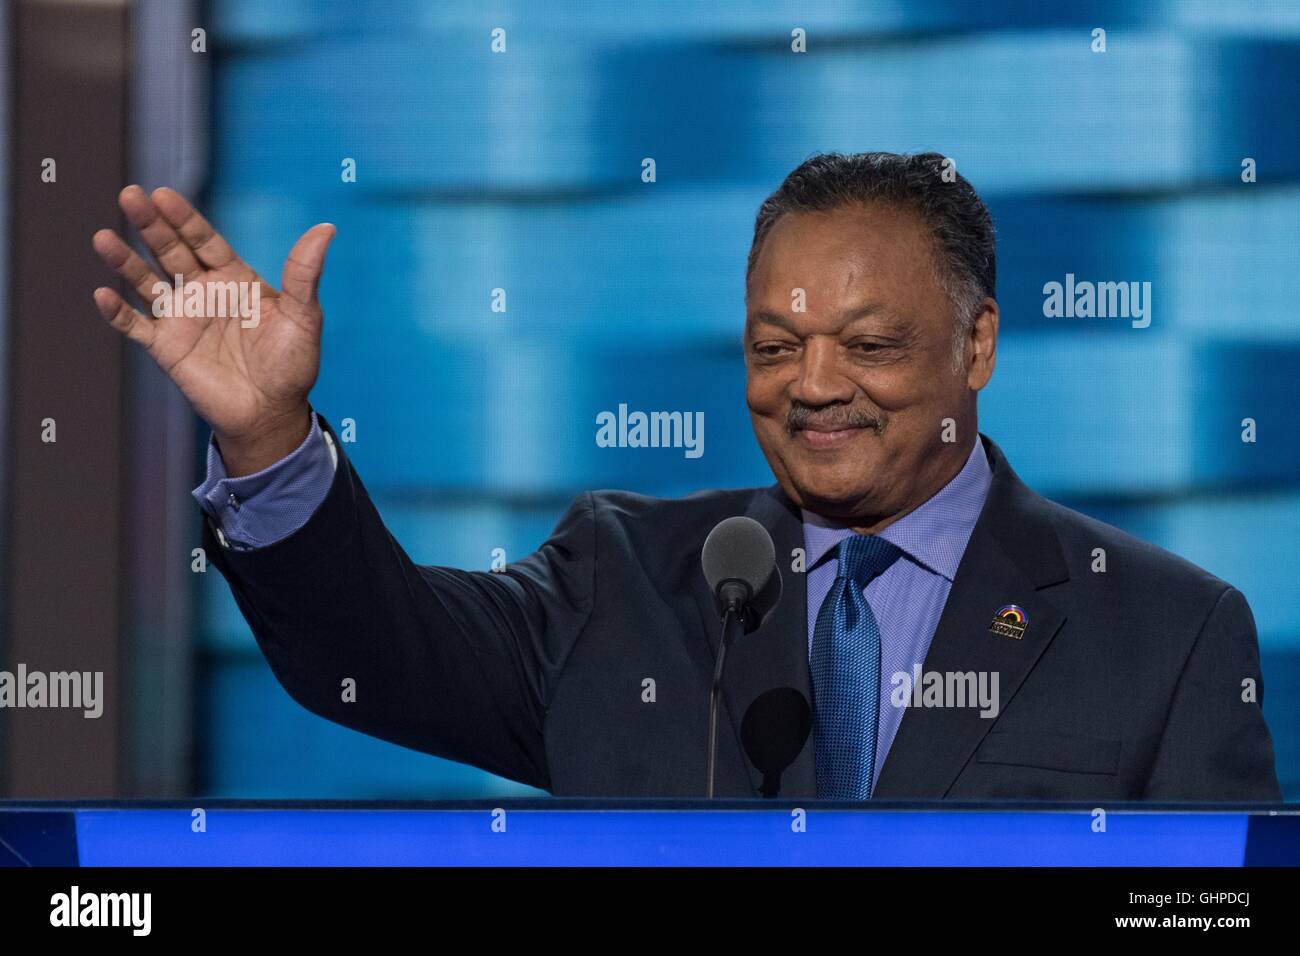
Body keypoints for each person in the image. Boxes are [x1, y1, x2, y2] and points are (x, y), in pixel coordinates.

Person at [91, 152, 1281, 800]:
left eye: (867, 344)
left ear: (976, 344)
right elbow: (369, 653)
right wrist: (267, 437)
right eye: (773, 346)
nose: (813, 384)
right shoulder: (627, 578)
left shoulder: (1164, 633)